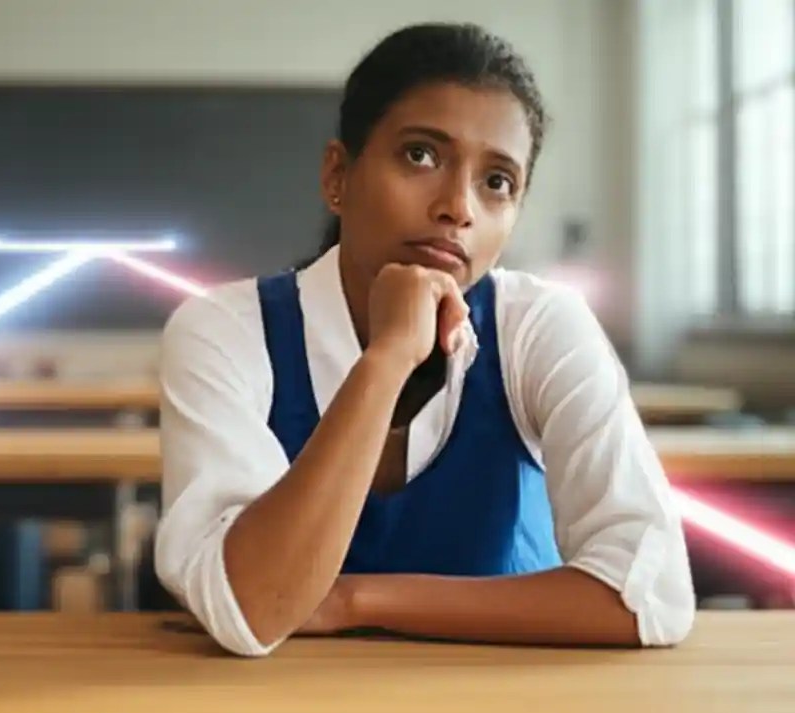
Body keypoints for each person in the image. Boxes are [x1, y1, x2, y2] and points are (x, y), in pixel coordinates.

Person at [153, 22, 695, 657]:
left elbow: (650, 597)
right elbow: (251, 609)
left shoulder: (538, 325)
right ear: (338, 175)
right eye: (421, 155)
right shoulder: (224, 330)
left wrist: (356, 599)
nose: (457, 207)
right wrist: (387, 359)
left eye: (498, 181)